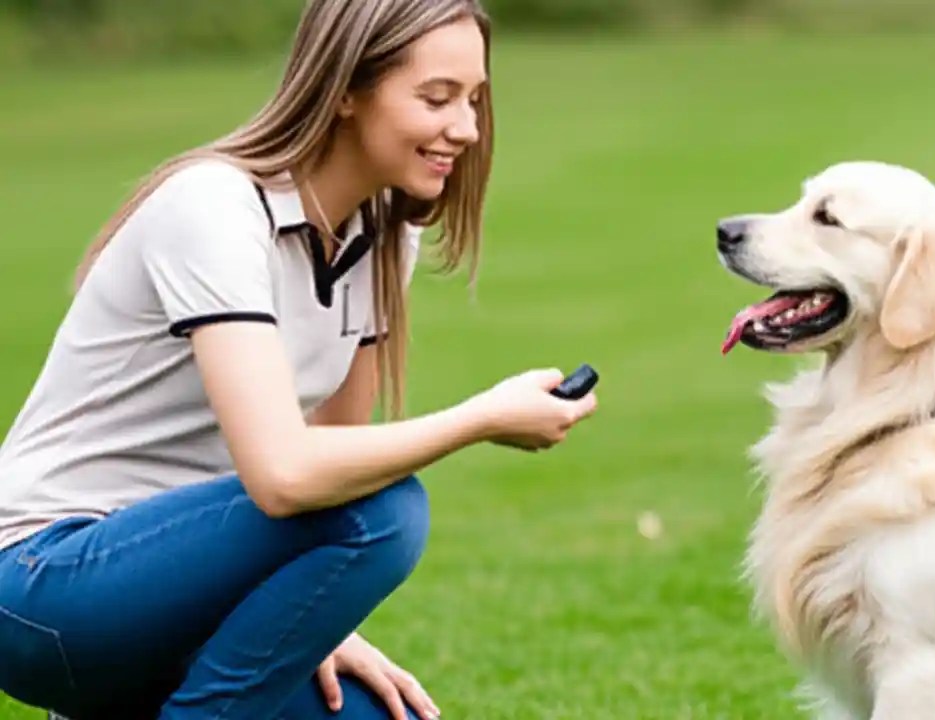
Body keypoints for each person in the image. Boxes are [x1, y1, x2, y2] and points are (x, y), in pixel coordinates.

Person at [0, 0, 598, 718]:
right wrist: (481, 418)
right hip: (42, 584)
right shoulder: (216, 207)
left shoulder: (380, 237)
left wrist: (320, 626)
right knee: (385, 509)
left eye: (474, 100)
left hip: (188, 592)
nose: (466, 128)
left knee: (379, 711)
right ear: (345, 88)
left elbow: (335, 452)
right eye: (437, 98)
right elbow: (287, 477)